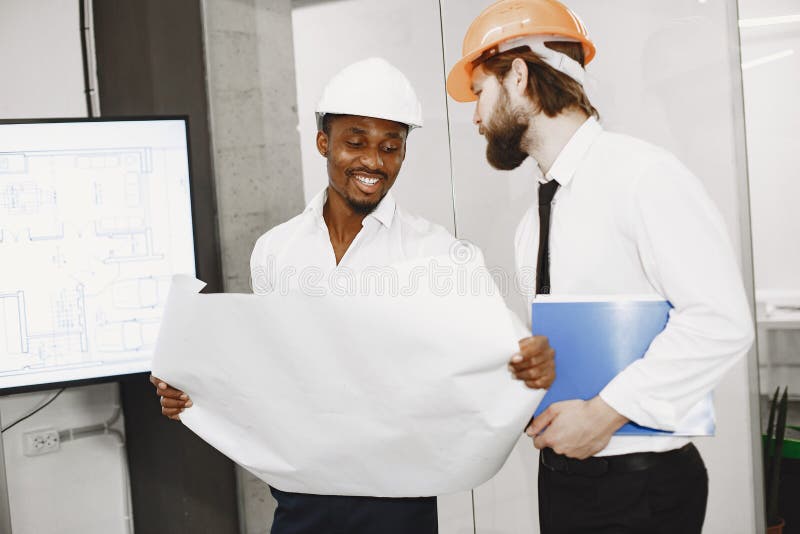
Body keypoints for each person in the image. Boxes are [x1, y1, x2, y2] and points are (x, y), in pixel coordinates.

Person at [151, 57, 555, 534]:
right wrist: (192, 389)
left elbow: (503, 350)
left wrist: (534, 359)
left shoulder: (438, 255)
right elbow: (265, 368)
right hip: (302, 503)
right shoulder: (276, 251)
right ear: (324, 142)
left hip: (399, 505)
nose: (373, 162)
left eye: (391, 147)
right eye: (355, 142)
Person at [446, 1, 755, 533]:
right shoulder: (532, 223)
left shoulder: (644, 177)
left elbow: (720, 321)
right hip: (564, 479)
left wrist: (605, 413)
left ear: (518, 75)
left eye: (479, 93)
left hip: (641, 487)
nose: (474, 116)